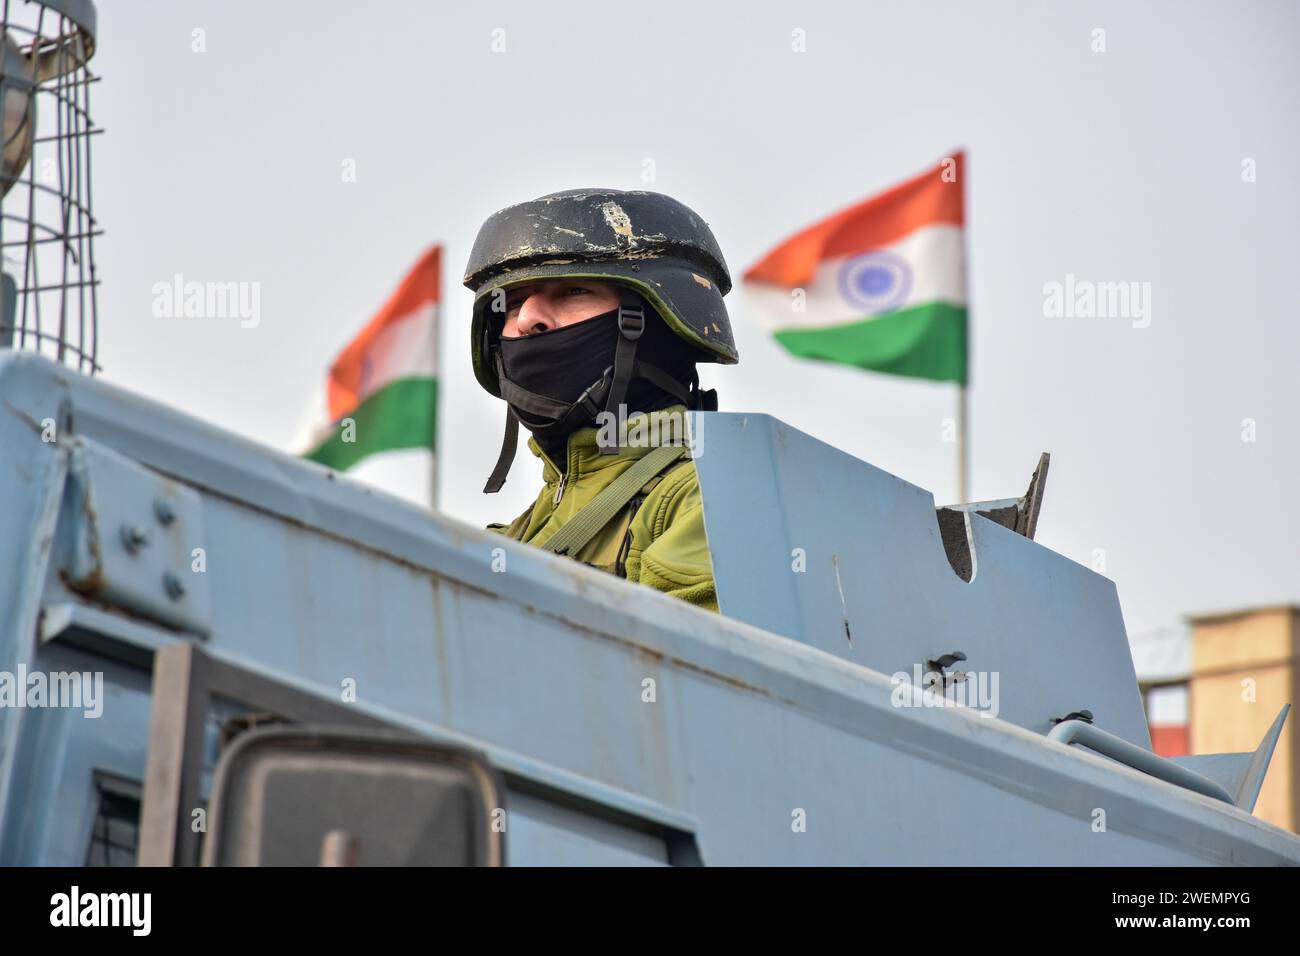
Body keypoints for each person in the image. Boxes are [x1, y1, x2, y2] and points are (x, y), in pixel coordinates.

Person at [463, 187, 739, 612]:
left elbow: (705, 673)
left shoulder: (703, 500)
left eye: (572, 291)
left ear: (656, 322)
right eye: (513, 302)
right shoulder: (509, 543)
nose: (526, 318)